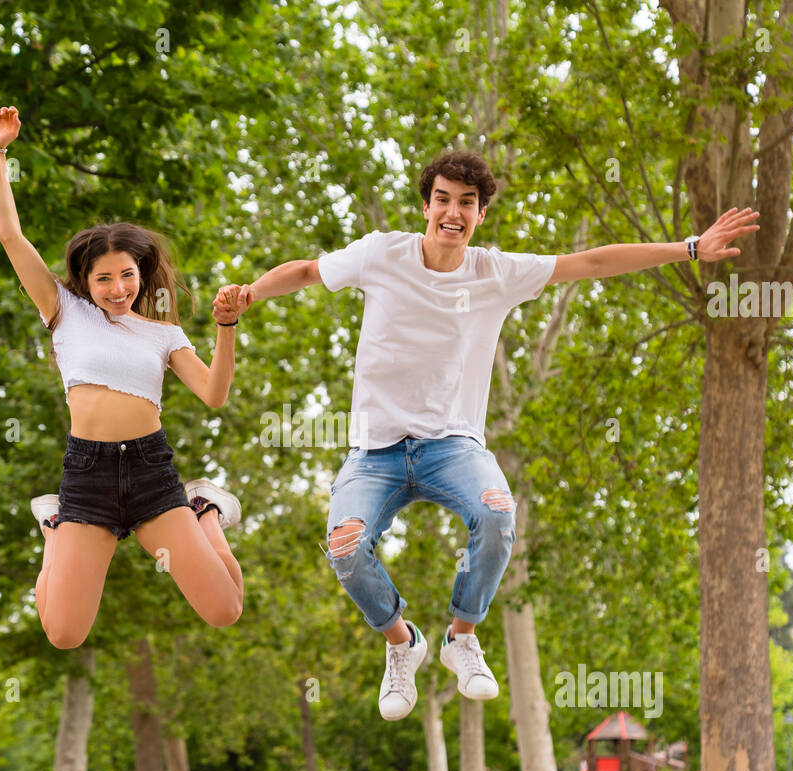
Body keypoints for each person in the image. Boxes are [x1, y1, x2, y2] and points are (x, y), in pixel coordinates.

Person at [218, 150, 759, 720]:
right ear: (426, 205)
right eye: (444, 200)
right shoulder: (381, 254)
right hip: (374, 450)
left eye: (467, 204)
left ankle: (461, 636)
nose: (453, 213)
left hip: (452, 446)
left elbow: (592, 262)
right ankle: (403, 643)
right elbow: (306, 271)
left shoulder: (496, 271)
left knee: (499, 515)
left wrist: (691, 248)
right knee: (345, 548)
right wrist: (251, 292)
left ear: (480, 215)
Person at [0, 106, 246, 648]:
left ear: (140, 273)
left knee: (225, 608)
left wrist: (226, 327)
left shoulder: (163, 334)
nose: (118, 287)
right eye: (104, 278)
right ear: (84, 279)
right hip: (88, 475)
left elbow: (214, 394)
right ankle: (56, 526)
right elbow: (10, 236)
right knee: (62, 633)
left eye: (127, 275)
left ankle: (206, 510)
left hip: (152, 472)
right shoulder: (62, 309)